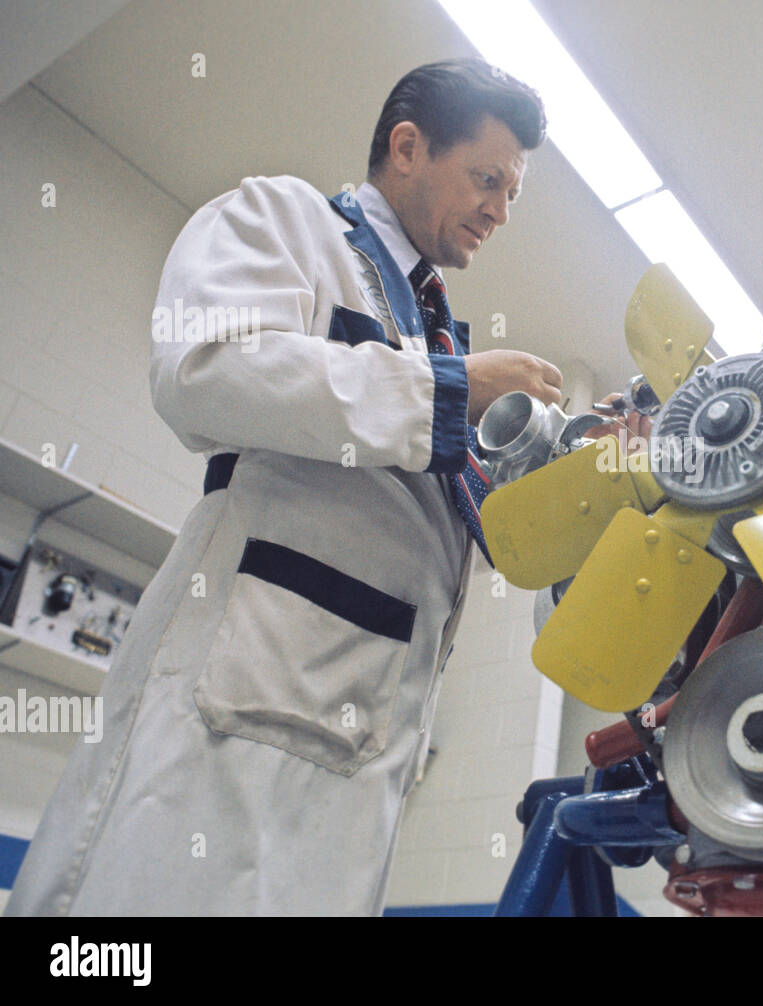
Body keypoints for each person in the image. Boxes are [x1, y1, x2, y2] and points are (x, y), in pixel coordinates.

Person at [5, 58, 564, 916]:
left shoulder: (436, 323)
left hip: (359, 727)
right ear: (407, 147)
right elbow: (203, 367)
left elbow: (424, 491)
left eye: (512, 193)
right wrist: (450, 388)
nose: (499, 209)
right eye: (487, 179)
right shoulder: (285, 218)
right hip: (240, 698)